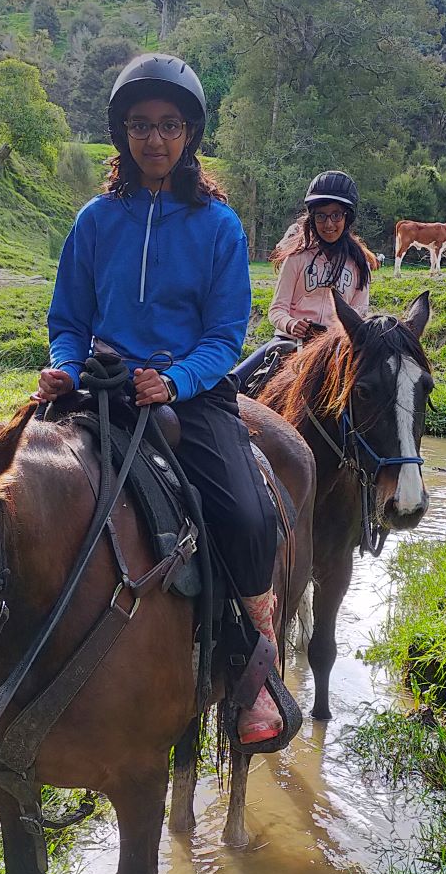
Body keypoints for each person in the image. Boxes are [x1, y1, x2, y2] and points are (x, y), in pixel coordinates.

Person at [36, 53, 285, 746]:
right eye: (140, 125)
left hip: (191, 391)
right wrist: (64, 366)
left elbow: (225, 334)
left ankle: (256, 665)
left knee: (244, 510)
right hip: (102, 385)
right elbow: (68, 320)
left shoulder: (218, 227)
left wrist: (174, 380)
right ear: (121, 133)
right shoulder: (94, 220)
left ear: (190, 134)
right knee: (11, 490)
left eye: (169, 125)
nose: (154, 139)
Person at [235, 171, 373, 390]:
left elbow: (359, 314)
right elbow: (277, 310)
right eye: (321, 216)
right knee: (232, 384)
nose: (328, 224)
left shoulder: (359, 265)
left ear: (347, 217)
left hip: (334, 349)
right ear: (313, 217)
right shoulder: (296, 258)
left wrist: (333, 337)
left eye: (336, 215)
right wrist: (291, 324)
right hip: (290, 343)